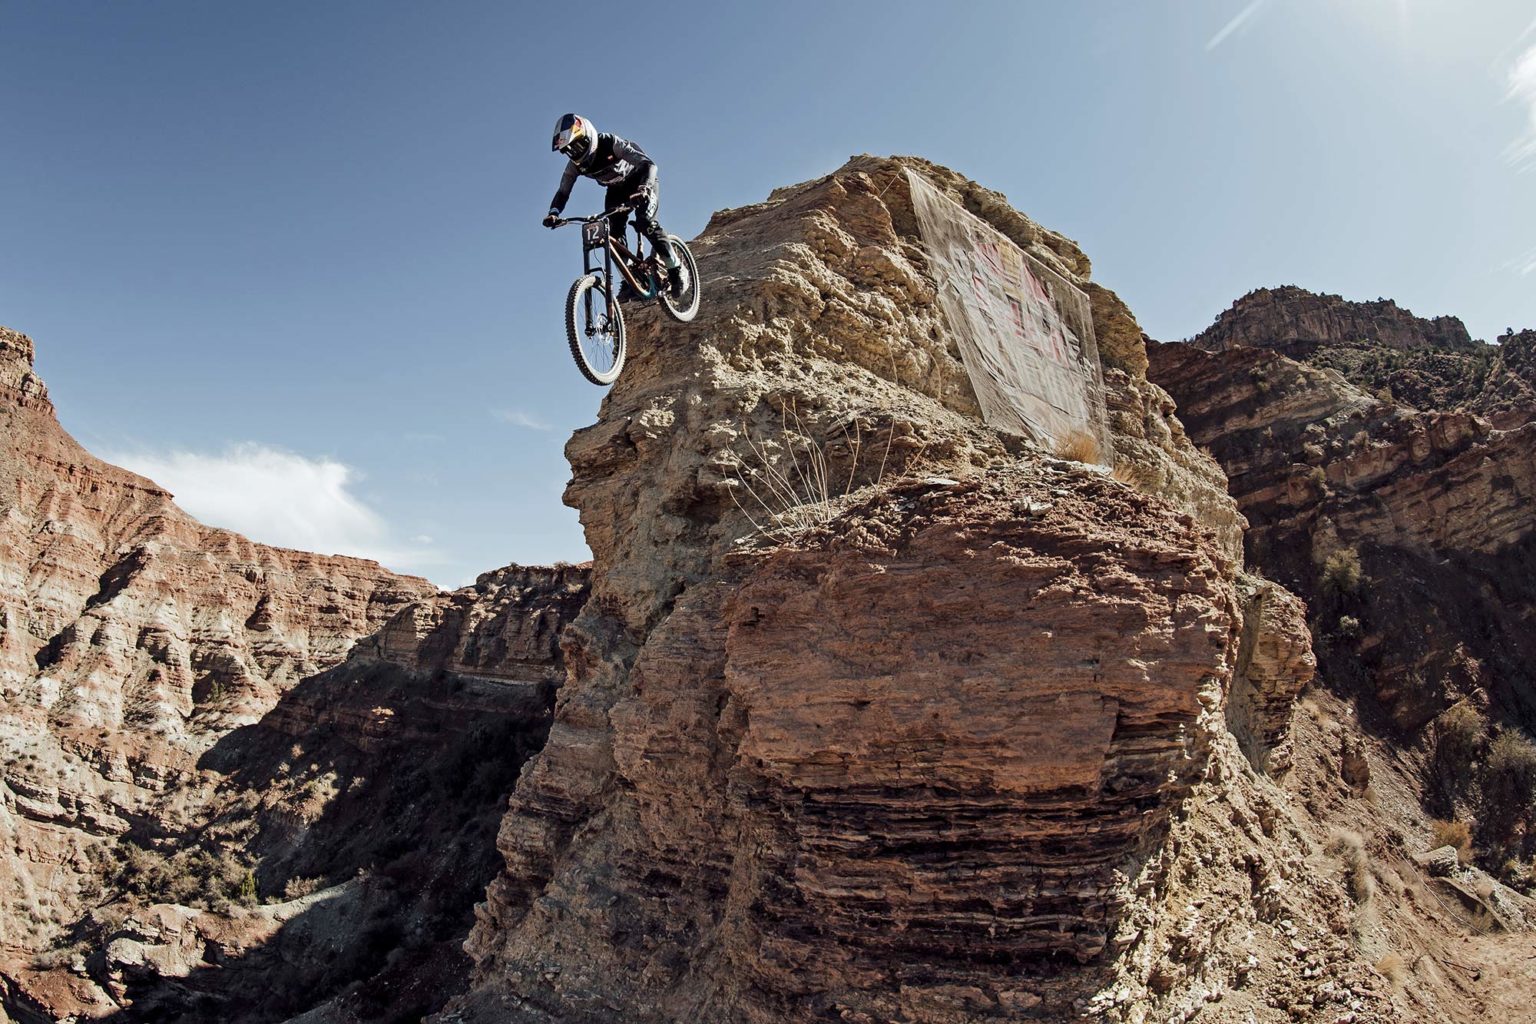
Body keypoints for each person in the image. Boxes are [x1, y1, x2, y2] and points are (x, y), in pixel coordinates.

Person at [543, 113, 684, 298]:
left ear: (588, 136)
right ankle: (628, 281)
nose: (575, 153)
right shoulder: (575, 166)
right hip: (616, 191)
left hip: (640, 180)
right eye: (569, 151)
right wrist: (554, 213)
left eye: (577, 146)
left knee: (645, 223)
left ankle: (675, 271)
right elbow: (563, 191)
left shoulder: (609, 143)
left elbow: (649, 165)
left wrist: (644, 188)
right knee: (612, 236)